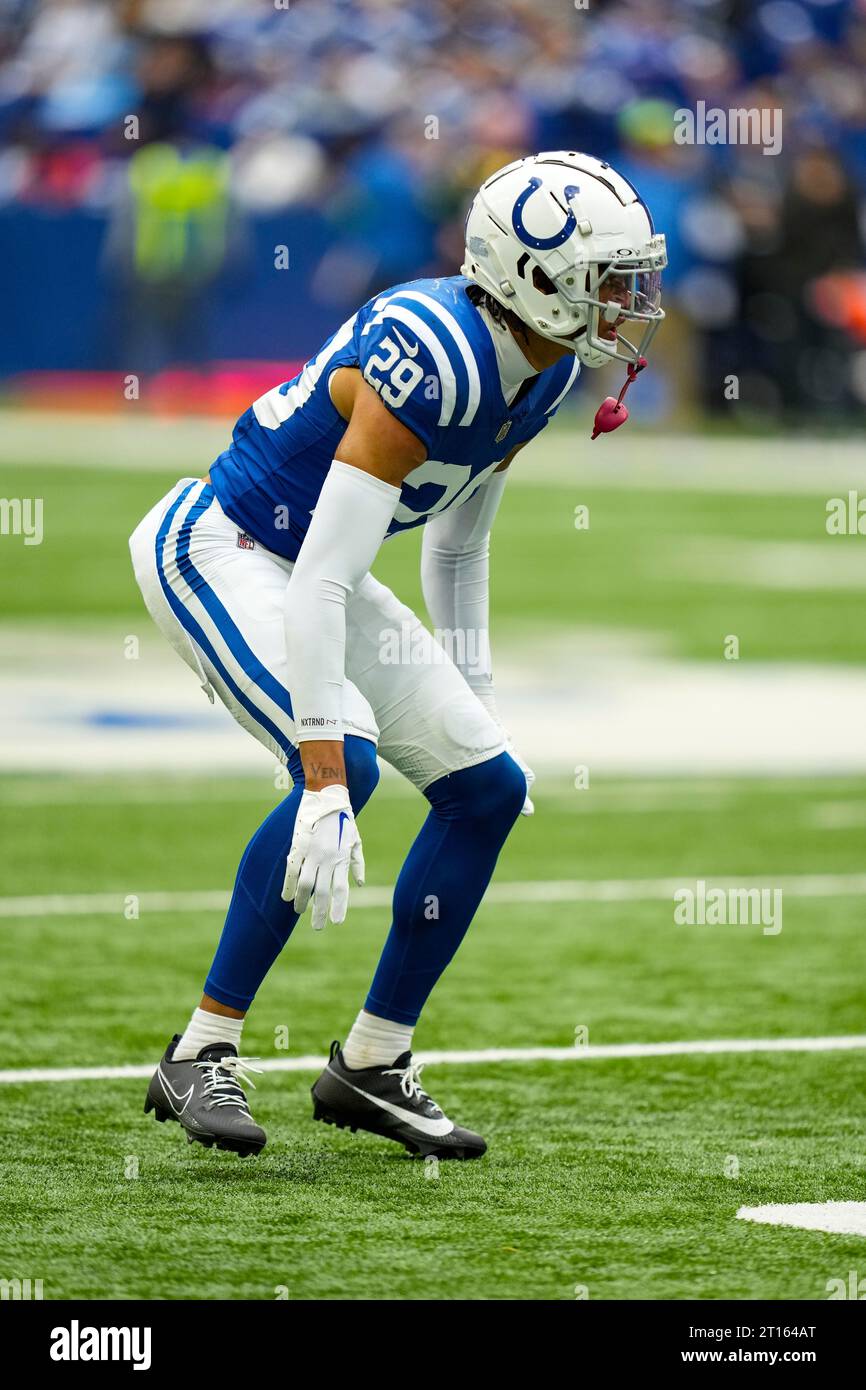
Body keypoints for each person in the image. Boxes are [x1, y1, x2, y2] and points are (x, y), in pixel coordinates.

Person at [129, 151, 666, 1159]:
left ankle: (371, 1063)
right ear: (533, 277)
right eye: (606, 277)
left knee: (487, 787)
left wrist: (479, 701)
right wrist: (323, 779)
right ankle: (201, 1047)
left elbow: (457, 545)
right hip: (223, 546)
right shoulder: (435, 353)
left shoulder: (544, 368)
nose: (627, 302)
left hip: (312, 565)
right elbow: (321, 580)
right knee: (347, 763)